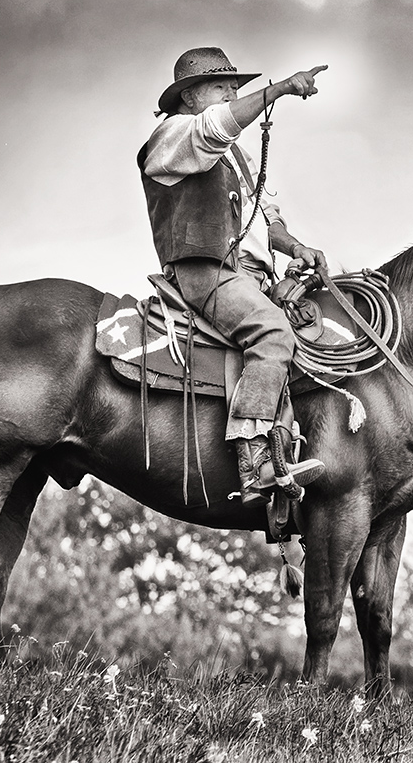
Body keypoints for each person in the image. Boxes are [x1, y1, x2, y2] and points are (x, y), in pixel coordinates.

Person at [137, 46, 328, 508]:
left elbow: (267, 218)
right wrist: (280, 88)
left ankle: (287, 448)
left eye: (235, 86)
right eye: (221, 86)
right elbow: (213, 126)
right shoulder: (174, 137)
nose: (232, 92)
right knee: (274, 335)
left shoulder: (236, 157)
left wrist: (295, 245)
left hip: (251, 278)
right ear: (188, 97)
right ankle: (254, 458)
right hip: (208, 272)